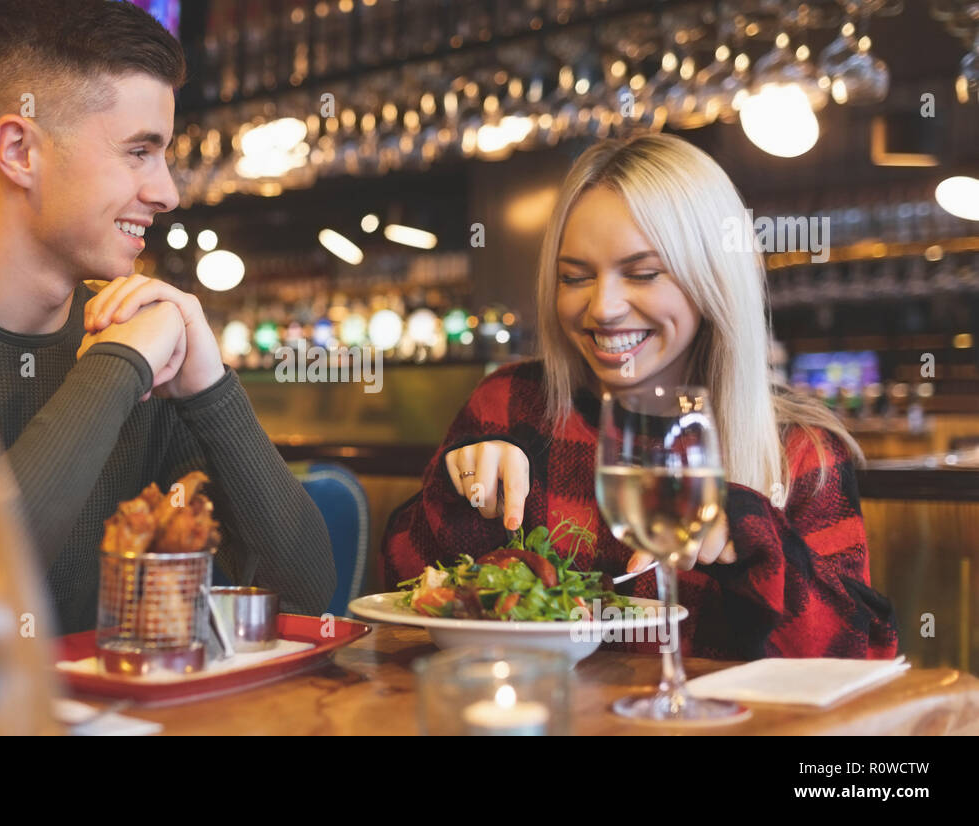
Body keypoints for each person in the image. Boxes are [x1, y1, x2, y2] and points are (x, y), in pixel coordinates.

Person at [0, 0, 336, 636]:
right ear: (19, 150)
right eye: (138, 152)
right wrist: (117, 366)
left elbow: (307, 598)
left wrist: (210, 389)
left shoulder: (140, 346)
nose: (168, 192)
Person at [382, 133, 898, 660]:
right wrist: (458, 494)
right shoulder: (512, 403)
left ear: (712, 280)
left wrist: (757, 544)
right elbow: (399, 590)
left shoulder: (797, 449)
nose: (603, 307)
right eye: (575, 277)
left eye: (644, 274)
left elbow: (860, 658)